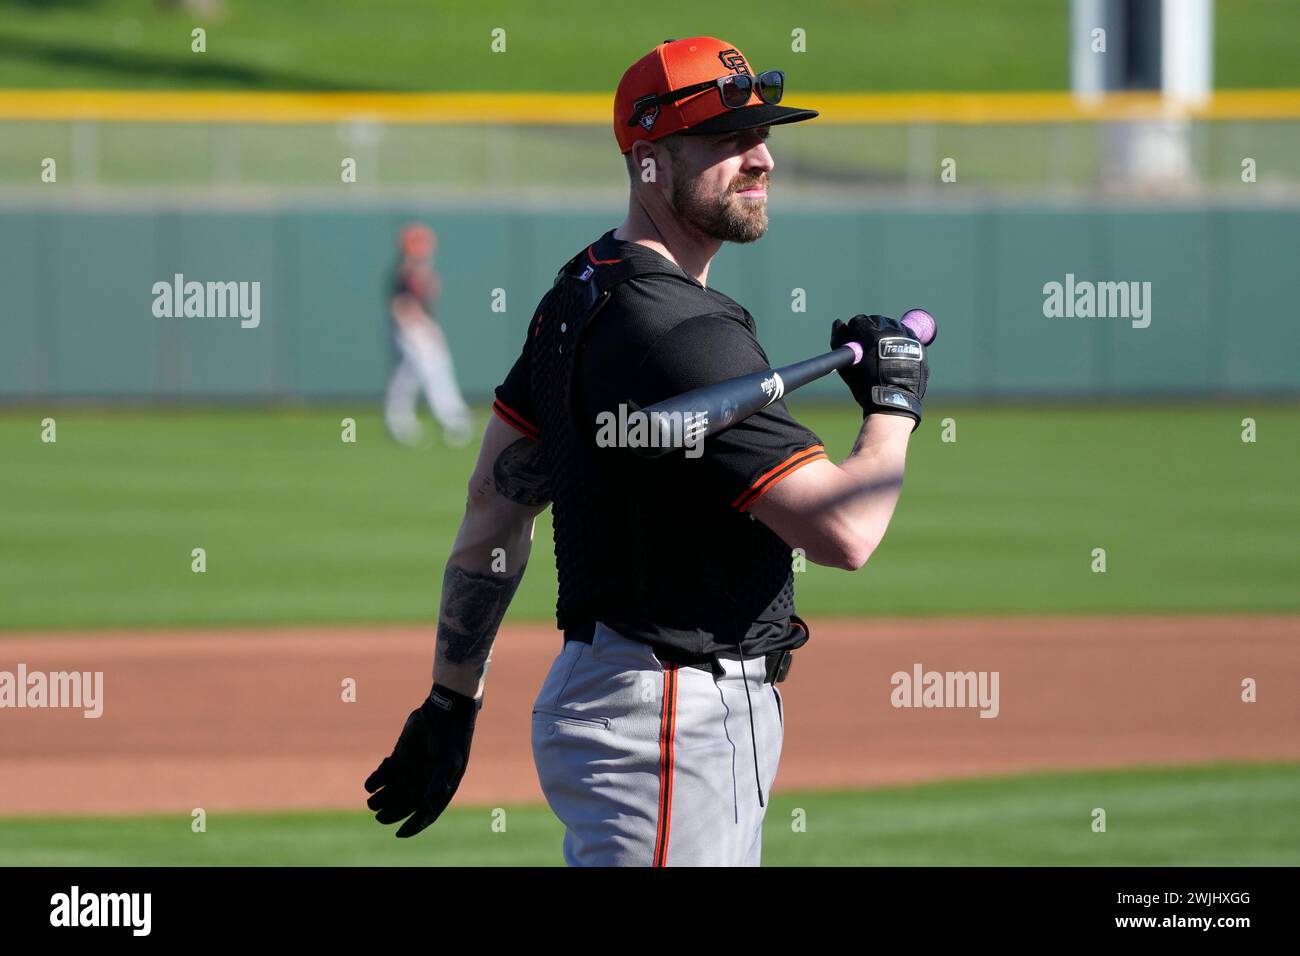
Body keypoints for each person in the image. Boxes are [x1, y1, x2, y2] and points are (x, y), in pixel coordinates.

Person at [365, 37, 929, 866]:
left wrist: (453, 701)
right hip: (674, 722)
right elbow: (843, 534)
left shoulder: (581, 290)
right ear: (649, 163)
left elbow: (496, 500)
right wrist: (895, 403)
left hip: (627, 703)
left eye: (762, 136)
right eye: (727, 141)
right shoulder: (687, 334)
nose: (760, 157)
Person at [383, 223, 473, 448]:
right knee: (429, 372)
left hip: (423, 326)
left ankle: (403, 421)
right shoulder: (402, 273)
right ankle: (452, 420)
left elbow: (431, 295)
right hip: (411, 329)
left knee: (411, 374)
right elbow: (401, 308)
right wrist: (423, 330)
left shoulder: (422, 271)